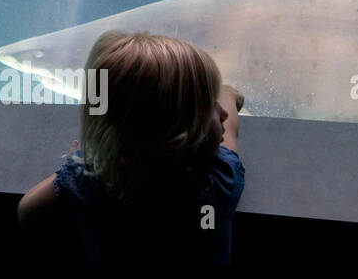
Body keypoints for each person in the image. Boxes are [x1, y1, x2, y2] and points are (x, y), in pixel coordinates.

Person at [17, 30, 246, 266]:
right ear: (183, 132)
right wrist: (227, 94)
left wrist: (84, 156)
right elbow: (229, 132)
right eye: (209, 105)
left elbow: (27, 211)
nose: (223, 112)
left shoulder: (88, 180)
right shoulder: (219, 180)